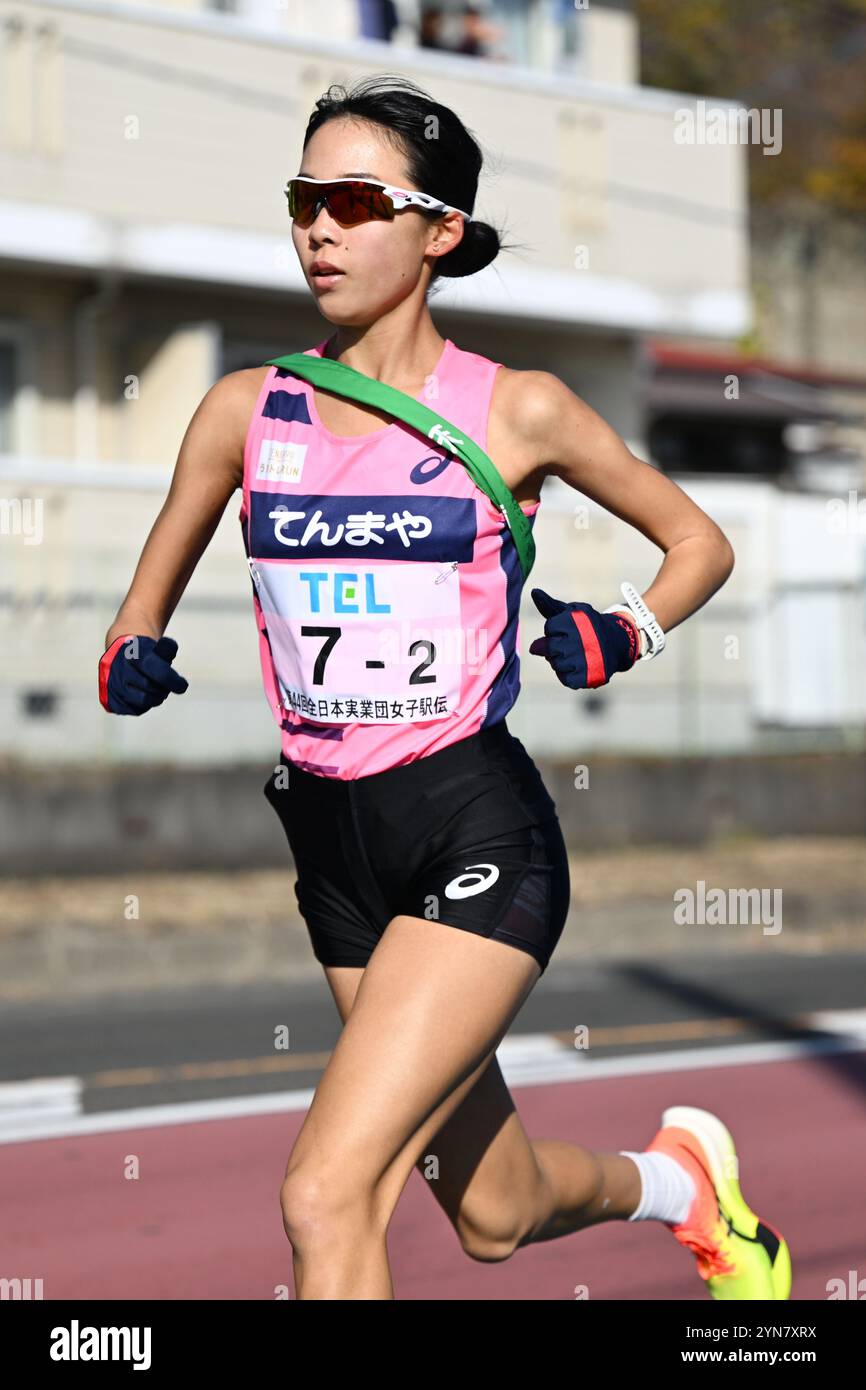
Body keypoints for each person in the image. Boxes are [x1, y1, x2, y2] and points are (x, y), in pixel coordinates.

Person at [98, 73, 791, 1302]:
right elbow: (135, 610)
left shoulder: (515, 408)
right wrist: (134, 649)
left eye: (356, 199)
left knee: (325, 1192)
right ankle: (683, 1182)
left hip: (473, 825)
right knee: (492, 1209)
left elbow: (697, 543)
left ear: (438, 232)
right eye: (305, 197)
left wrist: (624, 629)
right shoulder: (240, 412)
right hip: (330, 842)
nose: (319, 225)